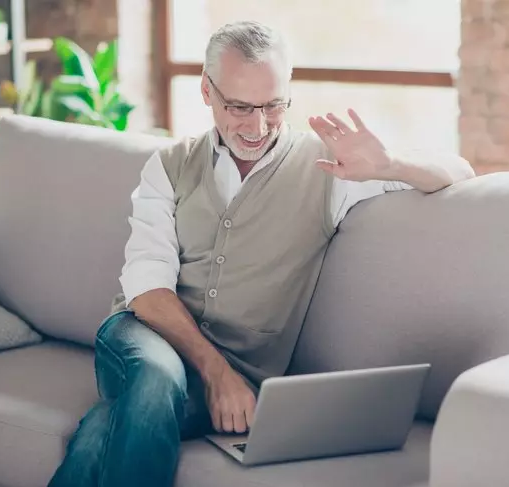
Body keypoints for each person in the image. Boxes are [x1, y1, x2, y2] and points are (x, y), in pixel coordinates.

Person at [48, 20, 475, 487]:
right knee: (154, 379)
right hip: (138, 339)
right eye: (239, 107)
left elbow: (460, 172)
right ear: (207, 92)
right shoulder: (169, 167)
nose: (258, 126)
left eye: (274, 106)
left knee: (96, 435)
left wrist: (388, 164)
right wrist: (218, 374)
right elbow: (147, 294)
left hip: (231, 381)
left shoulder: (328, 170)